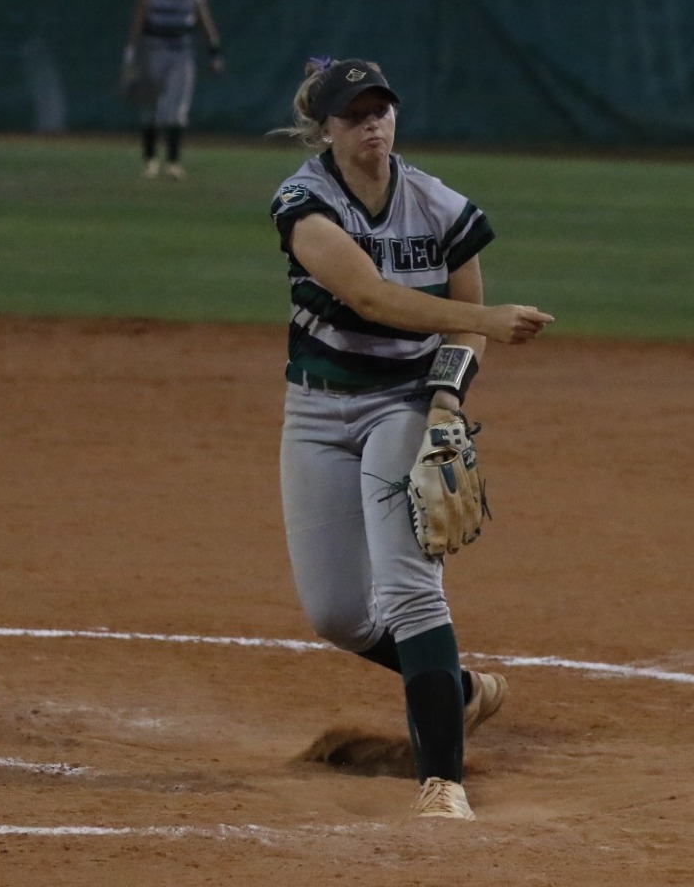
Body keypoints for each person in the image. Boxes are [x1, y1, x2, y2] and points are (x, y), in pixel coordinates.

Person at [266, 58, 554, 820]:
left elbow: (463, 328)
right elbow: (368, 295)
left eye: (382, 109)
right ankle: (458, 690)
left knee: (407, 588)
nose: (374, 123)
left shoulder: (441, 208)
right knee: (337, 614)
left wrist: (447, 400)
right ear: (325, 127)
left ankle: (442, 783)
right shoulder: (304, 202)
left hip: (403, 405)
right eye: (355, 113)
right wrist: (488, 322)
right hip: (318, 413)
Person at [122, 0, 223, 180]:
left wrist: (214, 54)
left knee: (177, 110)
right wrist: (129, 58)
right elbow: (137, 26)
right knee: (150, 109)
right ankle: (150, 161)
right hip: (153, 55)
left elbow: (207, 26)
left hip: (181, 57)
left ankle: (173, 162)